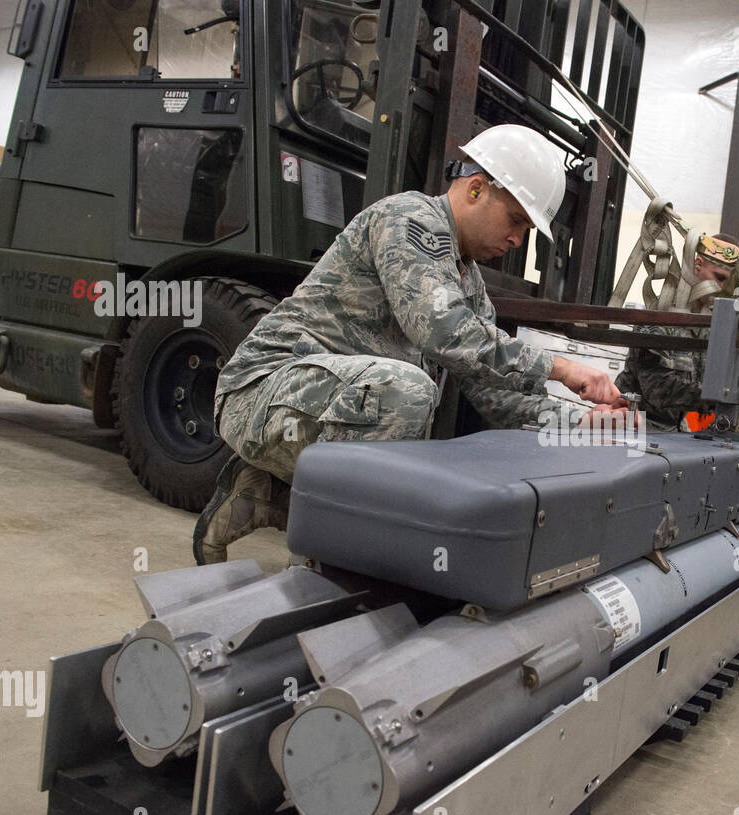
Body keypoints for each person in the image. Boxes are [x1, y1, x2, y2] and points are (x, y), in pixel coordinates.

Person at [194, 124, 629, 563]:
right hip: (259, 390)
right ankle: (322, 560)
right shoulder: (409, 221)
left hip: (314, 403)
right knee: (406, 394)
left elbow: (495, 397)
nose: (518, 239)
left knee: (406, 402)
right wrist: (565, 368)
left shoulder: (469, 284)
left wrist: (576, 423)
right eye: (516, 219)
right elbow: (442, 330)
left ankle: (262, 493)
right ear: (476, 189)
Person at [614, 233, 739, 430]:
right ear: (697, 265)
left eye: (730, 283)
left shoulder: (707, 329)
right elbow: (657, 389)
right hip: (631, 426)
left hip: (672, 430)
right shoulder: (661, 317)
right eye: (719, 278)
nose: (723, 288)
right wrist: (717, 397)